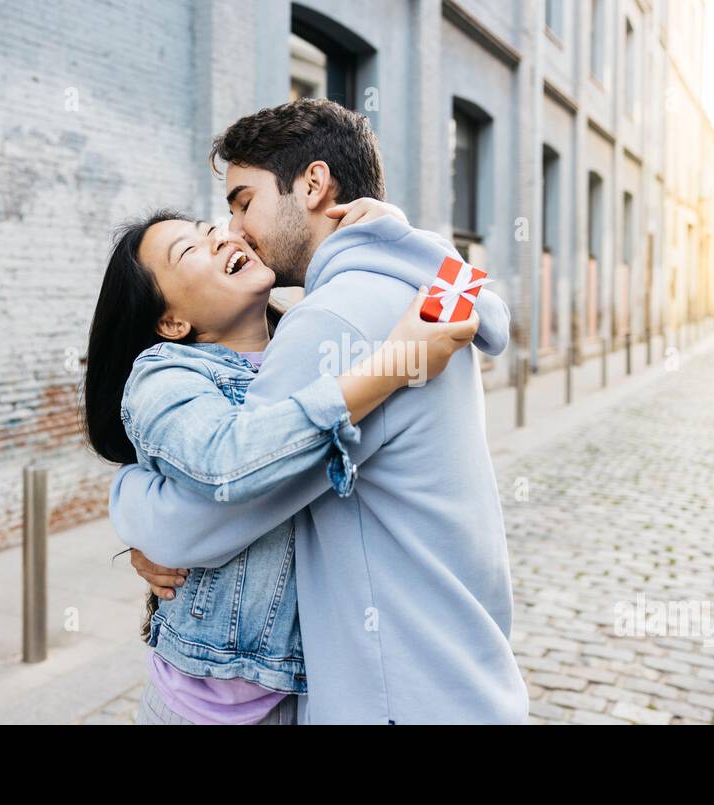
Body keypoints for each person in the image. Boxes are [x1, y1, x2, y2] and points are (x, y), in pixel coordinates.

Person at [112, 98, 528, 724]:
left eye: (243, 202)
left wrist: (131, 498)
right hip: (457, 673)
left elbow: (221, 503)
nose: (234, 229)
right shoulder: (415, 281)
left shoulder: (332, 320)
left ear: (312, 183)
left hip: (395, 690)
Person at [83, 204, 478, 724]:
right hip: (202, 703)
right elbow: (226, 461)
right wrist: (392, 366)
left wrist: (389, 225)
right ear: (171, 321)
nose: (224, 237)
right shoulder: (163, 375)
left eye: (212, 230)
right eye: (191, 250)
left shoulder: (312, 345)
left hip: (310, 692)